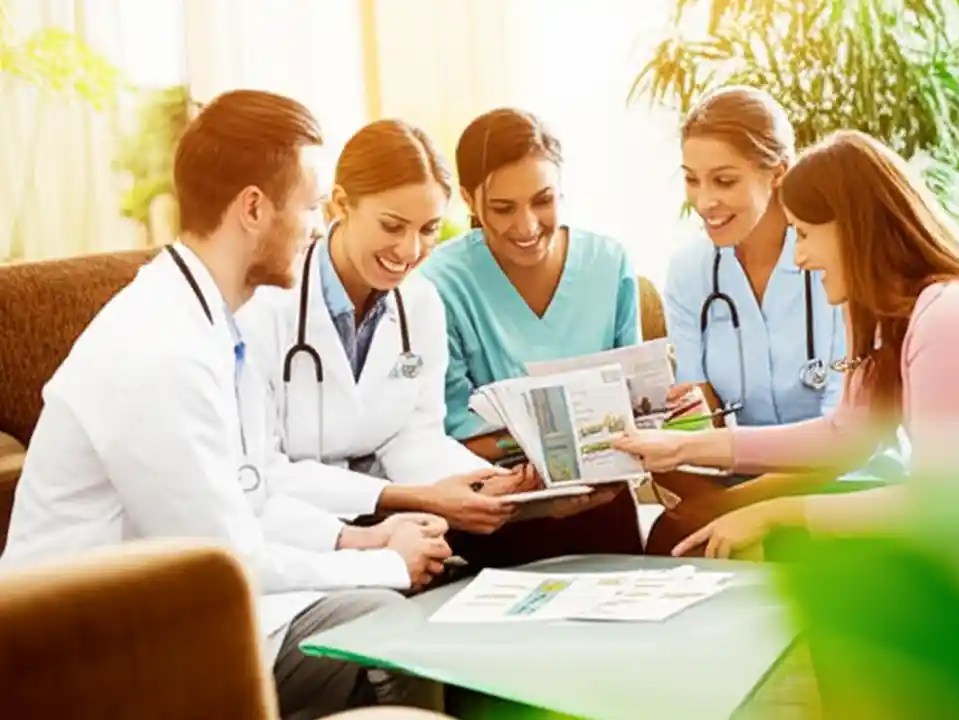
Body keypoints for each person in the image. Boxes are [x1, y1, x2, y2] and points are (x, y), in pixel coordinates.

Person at [0, 90, 450, 718]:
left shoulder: (211, 323)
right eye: (312, 207)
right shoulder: (161, 351)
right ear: (254, 208)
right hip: (88, 647)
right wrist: (386, 565)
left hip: (167, 615)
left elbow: (252, 493)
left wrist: (355, 542)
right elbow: (226, 566)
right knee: (387, 634)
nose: (319, 227)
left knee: (390, 621)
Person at [616, 130, 959, 559]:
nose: (800, 258)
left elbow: (939, 503)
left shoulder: (954, 313)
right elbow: (847, 433)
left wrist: (773, 511)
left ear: (855, 230)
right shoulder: (901, 314)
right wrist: (684, 446)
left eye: (805, 234)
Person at [237, 119, 546, 539]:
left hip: (394, 525)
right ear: (340, 205)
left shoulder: (420, 303)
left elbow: (415, 439)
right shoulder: (263, 306)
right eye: (393, 226)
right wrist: (408, 498)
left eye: (428, 229)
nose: (410, 250)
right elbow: (263, 472)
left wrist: (488, 482)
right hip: (293, 534)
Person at [645, 87, 906, 554]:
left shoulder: (835, 260)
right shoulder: (690, 272)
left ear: (779, 173)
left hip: (849, 483)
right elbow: (697, 417)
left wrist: (734, 509)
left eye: (724, 181)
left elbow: (844, 438)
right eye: (692, 180)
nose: (704, 202)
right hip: (735, 483)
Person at [418, 107, 641, 562]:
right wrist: (559, 446)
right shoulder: (438, 284)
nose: (527, 226)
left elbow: (635, 402)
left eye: (543, 200)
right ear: (468, 199)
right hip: (498, 511)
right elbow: (445, 437)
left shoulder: (609, 264)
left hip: (602, 504)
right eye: (503, 208)